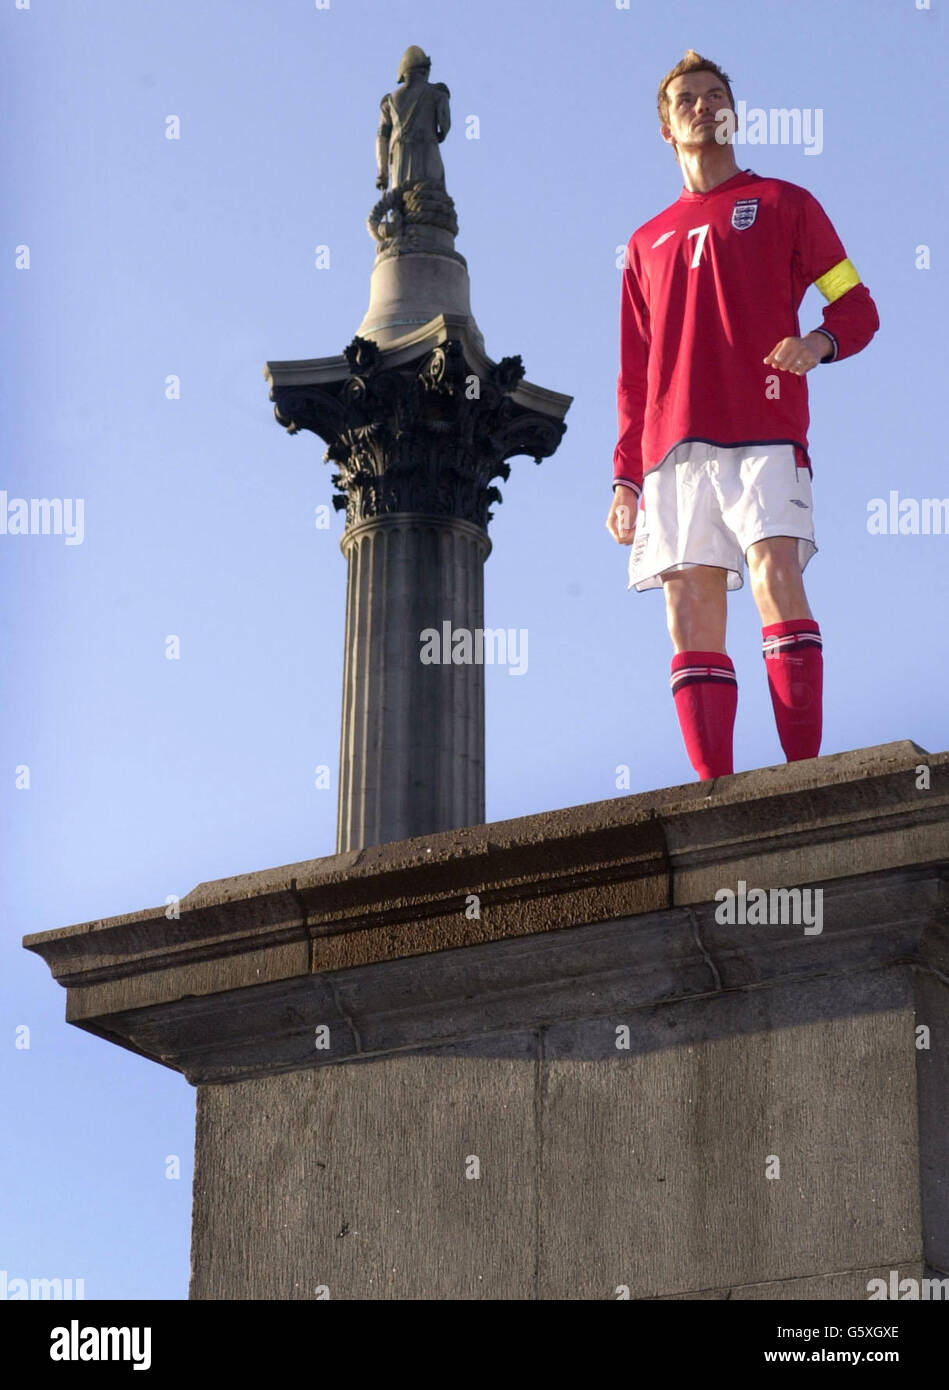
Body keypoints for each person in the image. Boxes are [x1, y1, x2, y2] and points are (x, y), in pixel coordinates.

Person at [606, 50, 879, 780]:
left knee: (773, 574)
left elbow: (856, 305)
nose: (701, 105)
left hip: (763, 429)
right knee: (687, 610)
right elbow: (634, 373)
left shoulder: (788, 203)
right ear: (666, 127)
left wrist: (818, 342)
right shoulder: (644, 243)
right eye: (686, 99)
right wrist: (624, 478)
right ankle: (715, 796)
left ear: (733, 112)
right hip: (670, 449)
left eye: (714, 95)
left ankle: (800, 777)